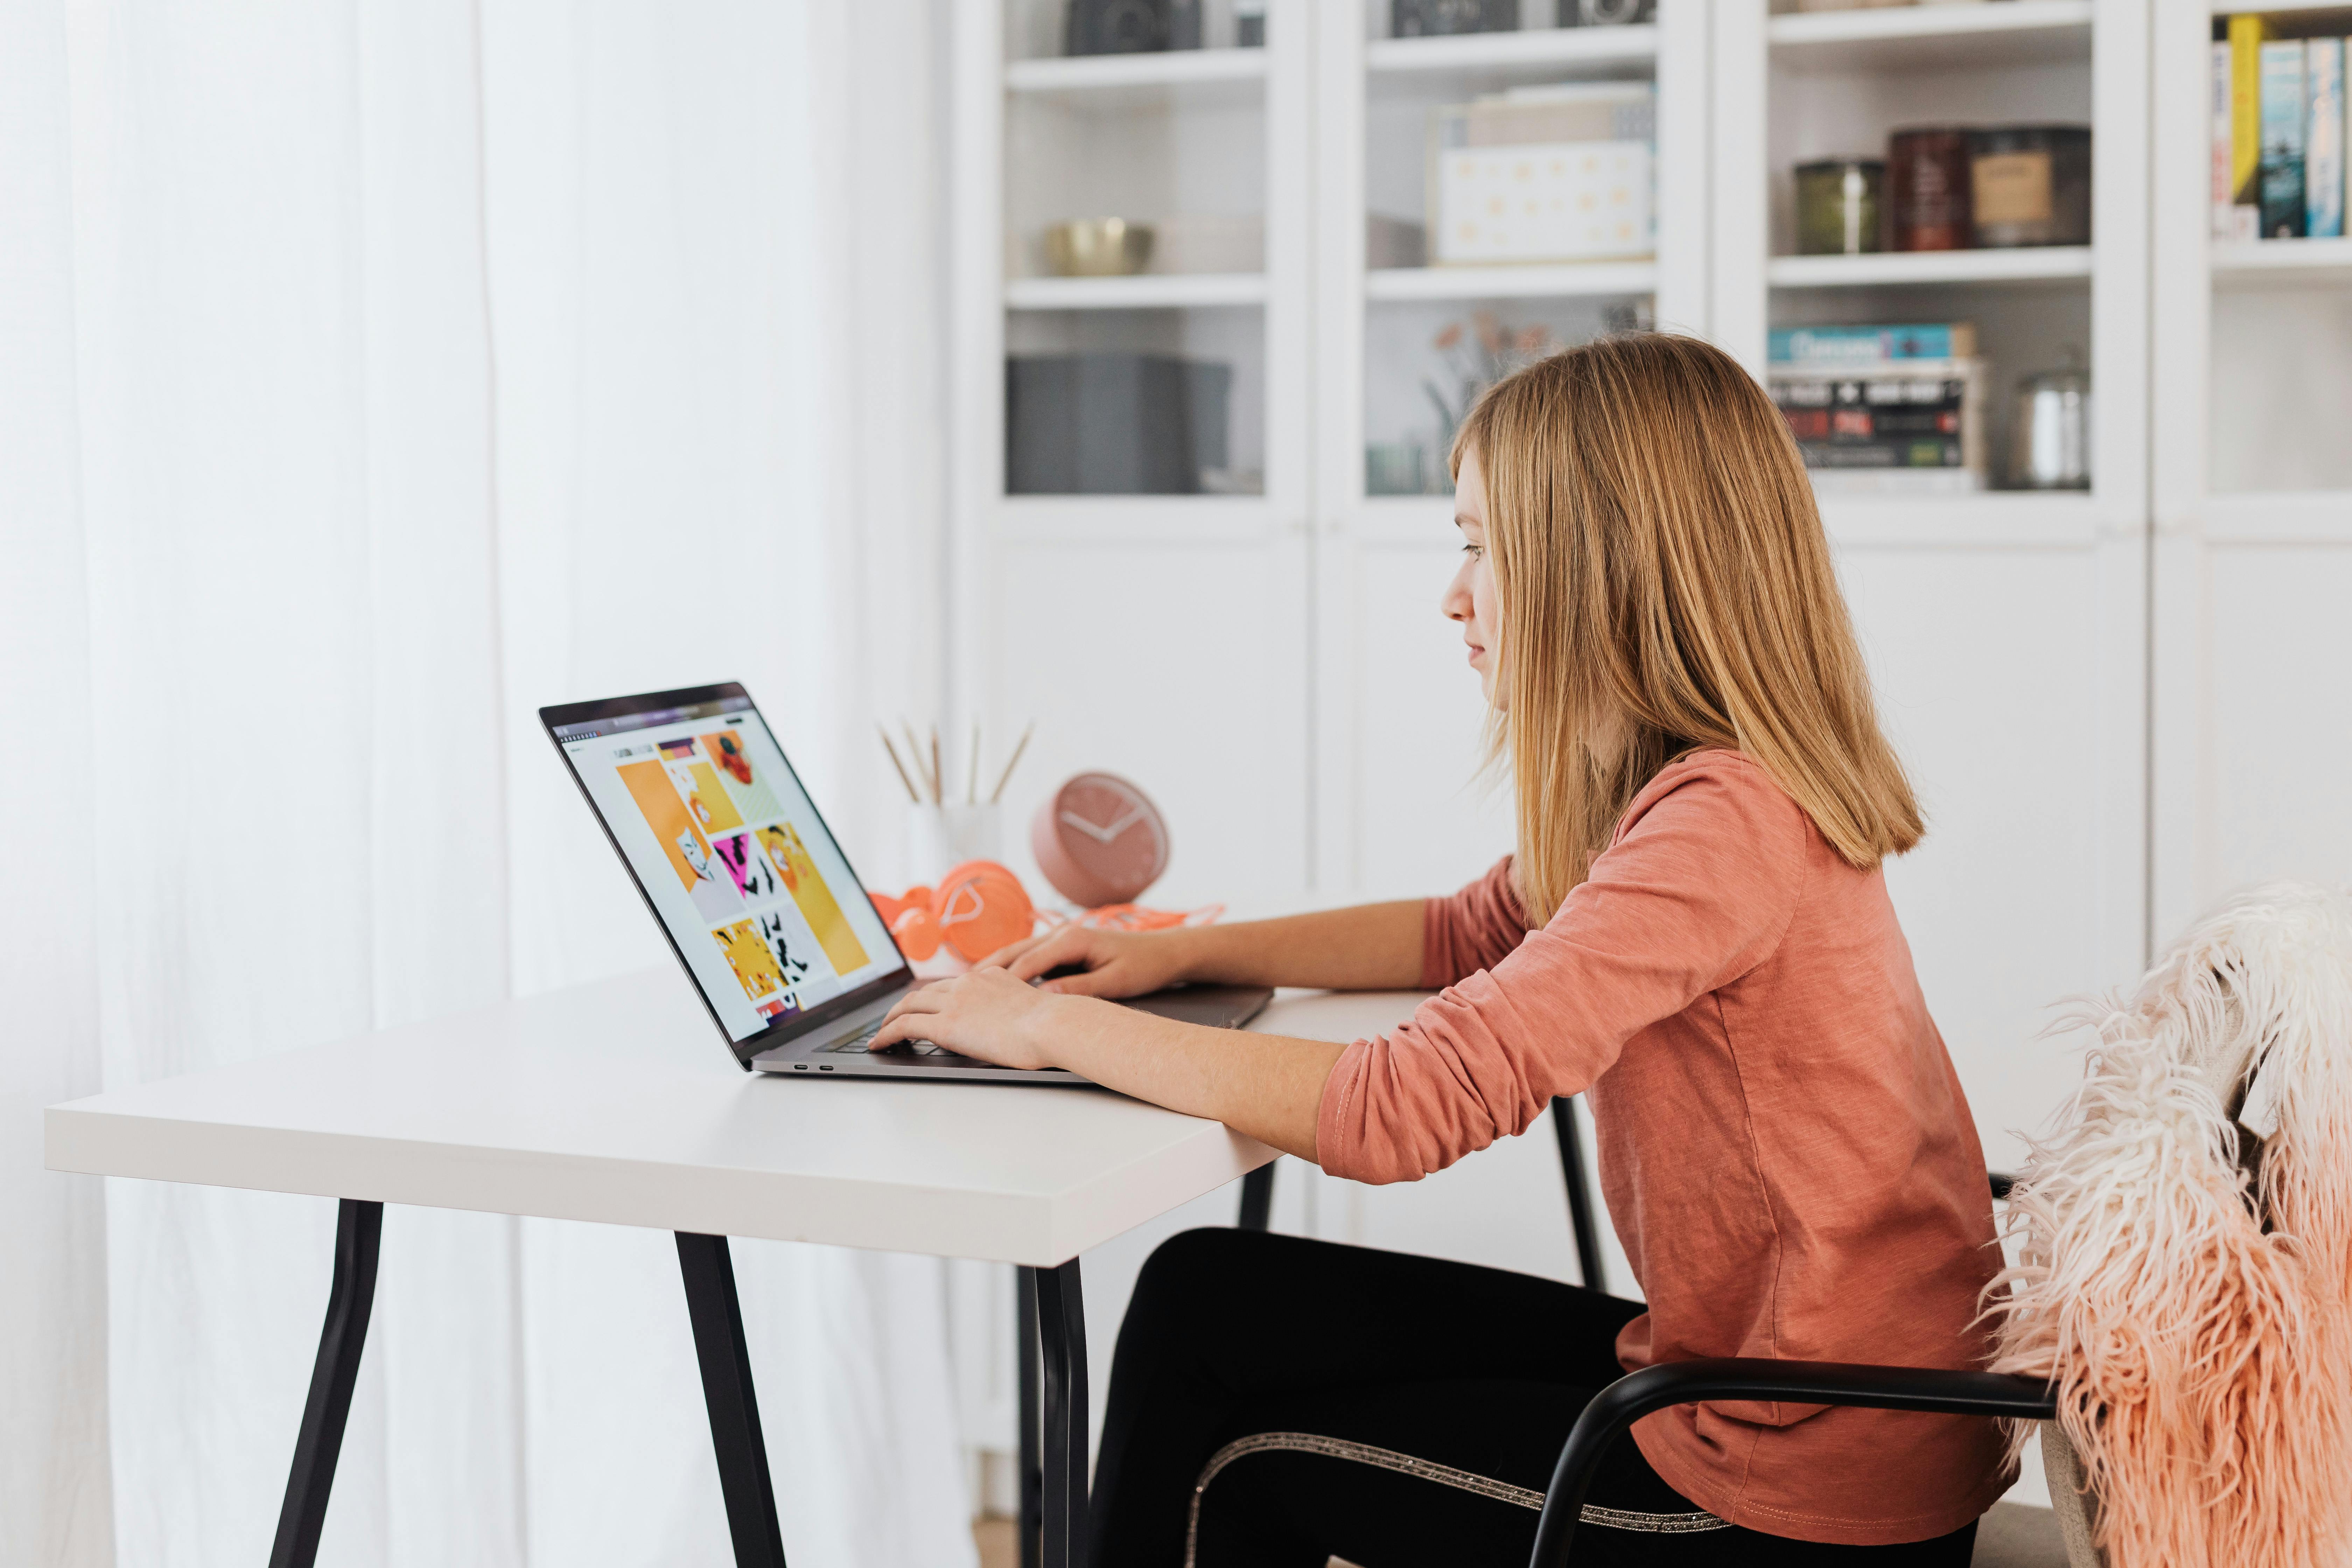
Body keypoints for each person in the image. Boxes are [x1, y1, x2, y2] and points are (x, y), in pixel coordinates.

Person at [872, 333, 2009, 1566]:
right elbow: (1471, 929)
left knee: (1240, 1463)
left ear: (1603, 566)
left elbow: (1400, 1109)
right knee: (1209, 1296)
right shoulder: (1705, 786)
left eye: (1480, 544)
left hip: (1789, 1491)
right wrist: (1177, 954)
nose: (1454, 591)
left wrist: (1044, 1026)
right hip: (1793, 1399)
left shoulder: (1722, 823)